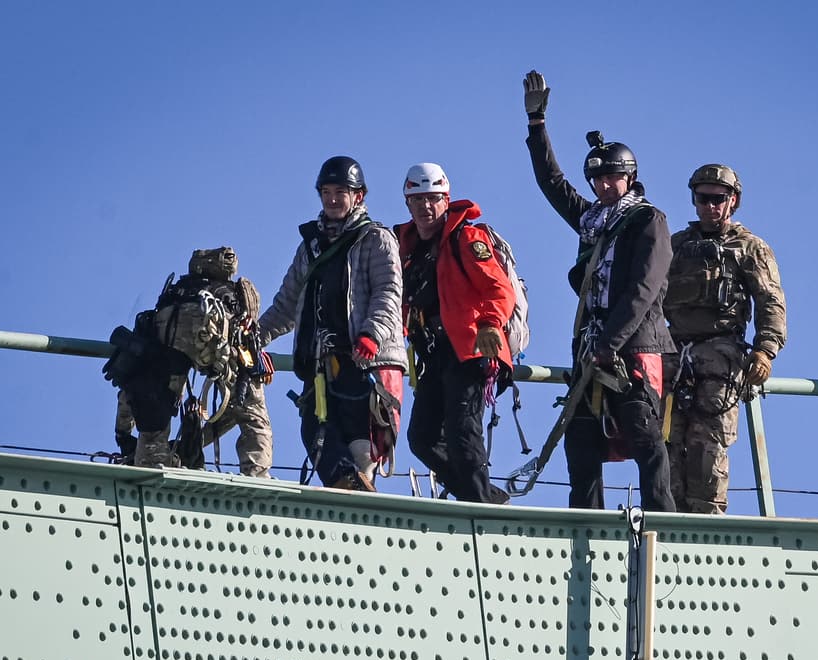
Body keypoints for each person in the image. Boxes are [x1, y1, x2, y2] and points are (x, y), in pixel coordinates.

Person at [522, 70, 675, 512]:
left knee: (646, 440)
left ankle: (660, 532)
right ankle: (585, 530)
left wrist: (611, 343)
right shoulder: (595, 222)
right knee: (582, 447)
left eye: (613, 178)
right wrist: (537, 126)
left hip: (634, 348)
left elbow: (644, 288)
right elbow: (553, 184)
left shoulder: (648, 221)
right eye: (599, 179)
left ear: (630, 179)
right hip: (592, 351)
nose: (605, 186)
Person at [257, 156, 405, 491]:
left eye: (342, 191)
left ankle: (359, 490)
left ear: (359, 196)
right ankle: (349, 488)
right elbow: (286, 305)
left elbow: (388, 292)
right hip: (321, 365)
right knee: (315, 431)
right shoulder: (310, 247)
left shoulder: (375, 239)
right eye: (326, 191)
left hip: (364, 360)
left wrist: (371, 334)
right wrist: (254, 339)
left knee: (360, 437)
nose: (333, 198)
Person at [664, 164, 786, 514]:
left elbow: (771, 301)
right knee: (665, 441)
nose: (710, 206)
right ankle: (665, 520)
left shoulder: (749, 247)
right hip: (673, 356)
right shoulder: (675, 246)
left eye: (718, 199)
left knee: (709, 446)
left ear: (732, 201)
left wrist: (765, 351)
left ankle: (706, 525)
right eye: (703, 198)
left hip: (721, 356)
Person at [394, 162, 515, 504]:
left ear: (446, 200)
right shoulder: (408, 249)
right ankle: (485, 499)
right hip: (436, 356)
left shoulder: (467, 237)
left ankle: (480, 509)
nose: (425, 207)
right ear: (407, 203)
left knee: (463, 434)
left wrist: (490, 323)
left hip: (471, 350)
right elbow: (404, 304)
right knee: (422, 438)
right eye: (417, 199)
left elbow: (498, 288)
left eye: (432, 199)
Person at [107, 247, 273, 477]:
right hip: (221, 350)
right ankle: (257, 475)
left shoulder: (173, 300)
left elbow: (134, 387)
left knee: (154, 403)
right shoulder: (235, 296)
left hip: (170, 350)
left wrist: (123, 435)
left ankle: (150, 466)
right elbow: (242, 409)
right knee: (252, 408)